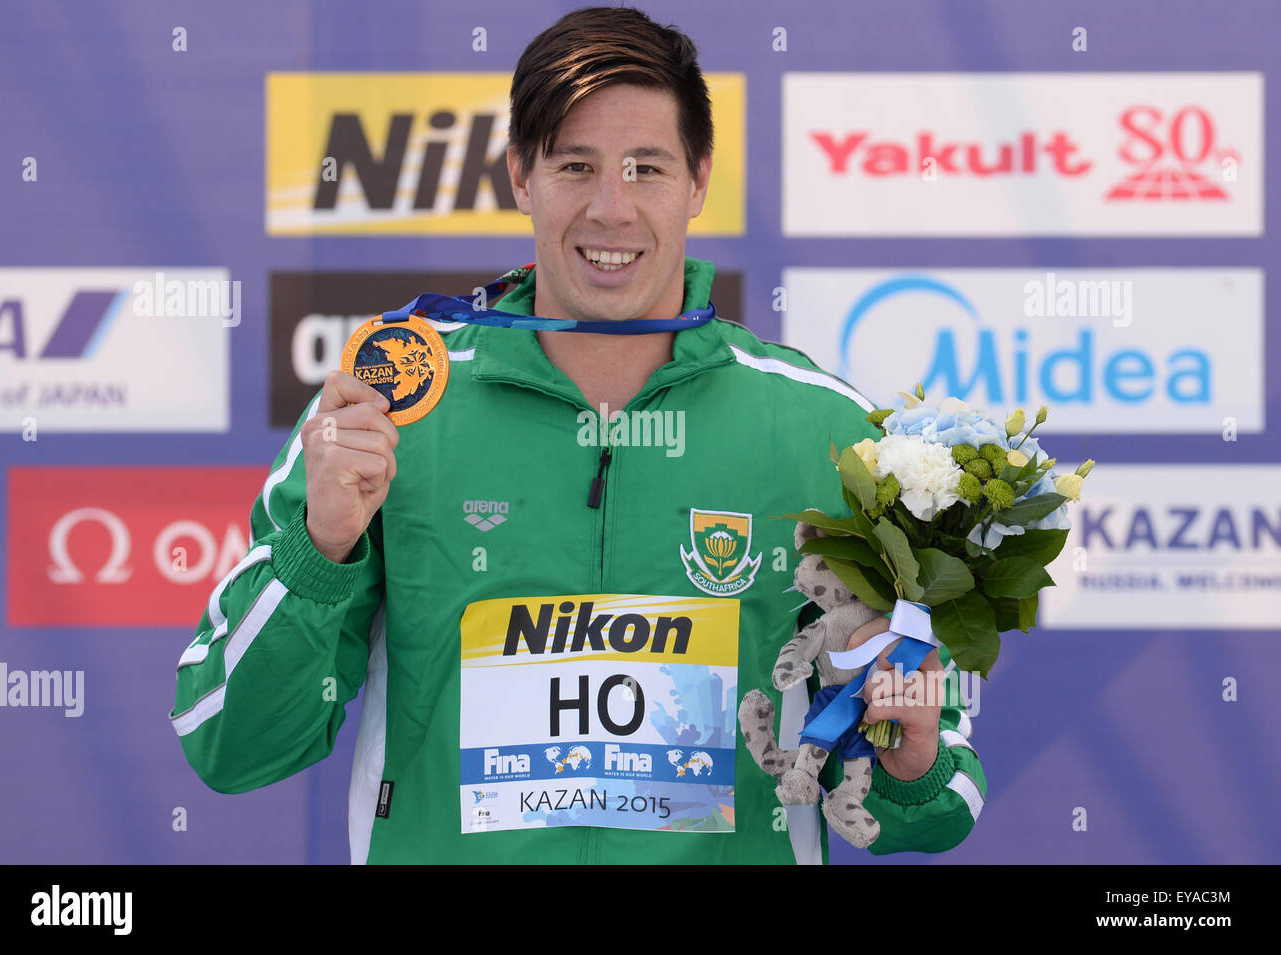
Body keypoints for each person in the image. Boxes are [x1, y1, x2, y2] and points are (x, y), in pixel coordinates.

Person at [170, 5, 985, 864]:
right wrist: (317, 548)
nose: (611, 209)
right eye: (575, 165)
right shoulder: (395, 399)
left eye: (647, 169)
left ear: (700, 179)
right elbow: (230, 744)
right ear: (521, 174)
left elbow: (933, 812)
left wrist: (913, 750)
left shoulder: (820, 430)